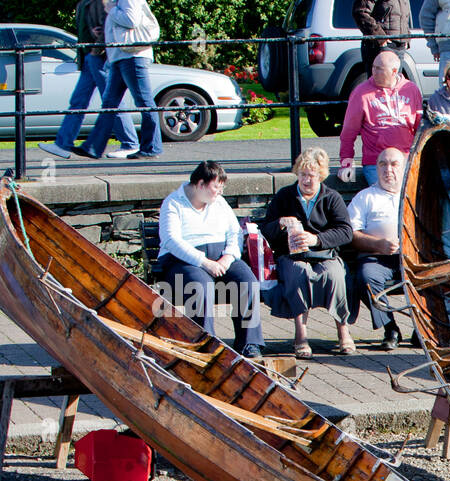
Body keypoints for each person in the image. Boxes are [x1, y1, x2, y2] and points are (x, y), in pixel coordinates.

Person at [157, 161, 264, 359]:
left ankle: (249, 344)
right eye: (216, 187)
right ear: (200, 184)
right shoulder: (173, 203)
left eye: (221, 188)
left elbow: (235, 233)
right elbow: (171, 240)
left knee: (247, 281)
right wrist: (205, 262)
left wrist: (228, 256)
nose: (219, 193)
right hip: (185, 261)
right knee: (200, 286)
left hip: (221, 258)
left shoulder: (219, 203)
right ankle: (206, 344)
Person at [261, 148, 355, 359]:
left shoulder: (331, 197)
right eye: (302, 174)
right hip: (292, 256)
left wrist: (317, 239)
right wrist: (280, 224)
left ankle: (343, 331)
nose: (306, 180)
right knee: (297, 273)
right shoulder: (285, 196)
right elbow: (265, 229)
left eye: (311, 176)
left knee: (335, 274)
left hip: (324, 254)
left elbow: (346, 231)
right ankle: (301, 335)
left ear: (320, 176)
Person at [40, 0, 136, 159]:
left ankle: (130, 143)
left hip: (97, 56)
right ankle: (63, 143)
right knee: (79, 101)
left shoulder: (99, 1)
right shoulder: (84, 3)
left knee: (111, 100)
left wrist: (96, 50)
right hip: (89, 57)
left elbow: (107, 27)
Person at [72, 0, 162, 160]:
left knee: (144, 101)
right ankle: (92, 147)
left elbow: (131, 20)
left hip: (132, 56)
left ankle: (151, 147)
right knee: (109, 103)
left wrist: (111, 9)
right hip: (119, 57)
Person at [348, 148, 408, 349]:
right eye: (383, 164)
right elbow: (350, 234)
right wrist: (377, 244)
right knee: (366, 278)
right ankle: (390, 328)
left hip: (411, 259)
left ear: (404, 167)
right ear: (376, 168)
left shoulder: (415, 194)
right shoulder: (365, 197)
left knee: (431, 277)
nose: (388, 169)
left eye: (394, 164)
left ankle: (421, 330)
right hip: (375, 258)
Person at [339, 51, 422, 186]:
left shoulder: (411, 90)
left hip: (406, 160)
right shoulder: (361, 93)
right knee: (388, 197)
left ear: (394, 71)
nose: (374, 72)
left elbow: (419, 127)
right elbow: (349, 131)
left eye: (379, 69)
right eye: (373, 67)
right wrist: (346, 162)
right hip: (376, 162)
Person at [353, 0, 411, 74]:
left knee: (395, 82)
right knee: (379, 83)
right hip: (380, 45)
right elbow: (361, 12)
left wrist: (407, 37)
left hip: (400, 46)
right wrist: (379, 36)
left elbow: (405, 16)